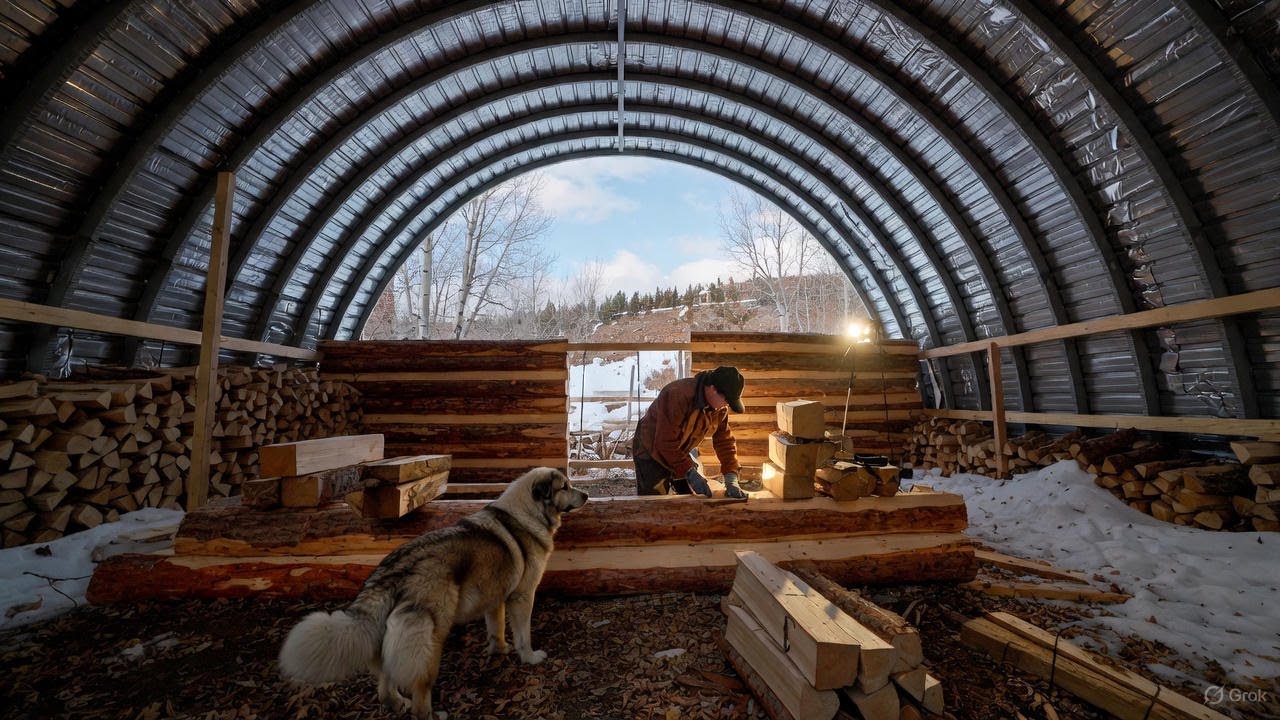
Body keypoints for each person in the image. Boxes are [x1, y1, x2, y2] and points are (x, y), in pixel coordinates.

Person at [631, 366, 748, 499]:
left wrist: (731, 475)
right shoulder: (677, 395)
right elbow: (664, 442)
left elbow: (724, 441)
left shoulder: (719, 408)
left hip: (679, 450)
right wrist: (689, 471)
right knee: (655, 502)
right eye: (726, 401)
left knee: (692, 499)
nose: (726, 406)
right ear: (713, 389)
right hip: (651, 451)